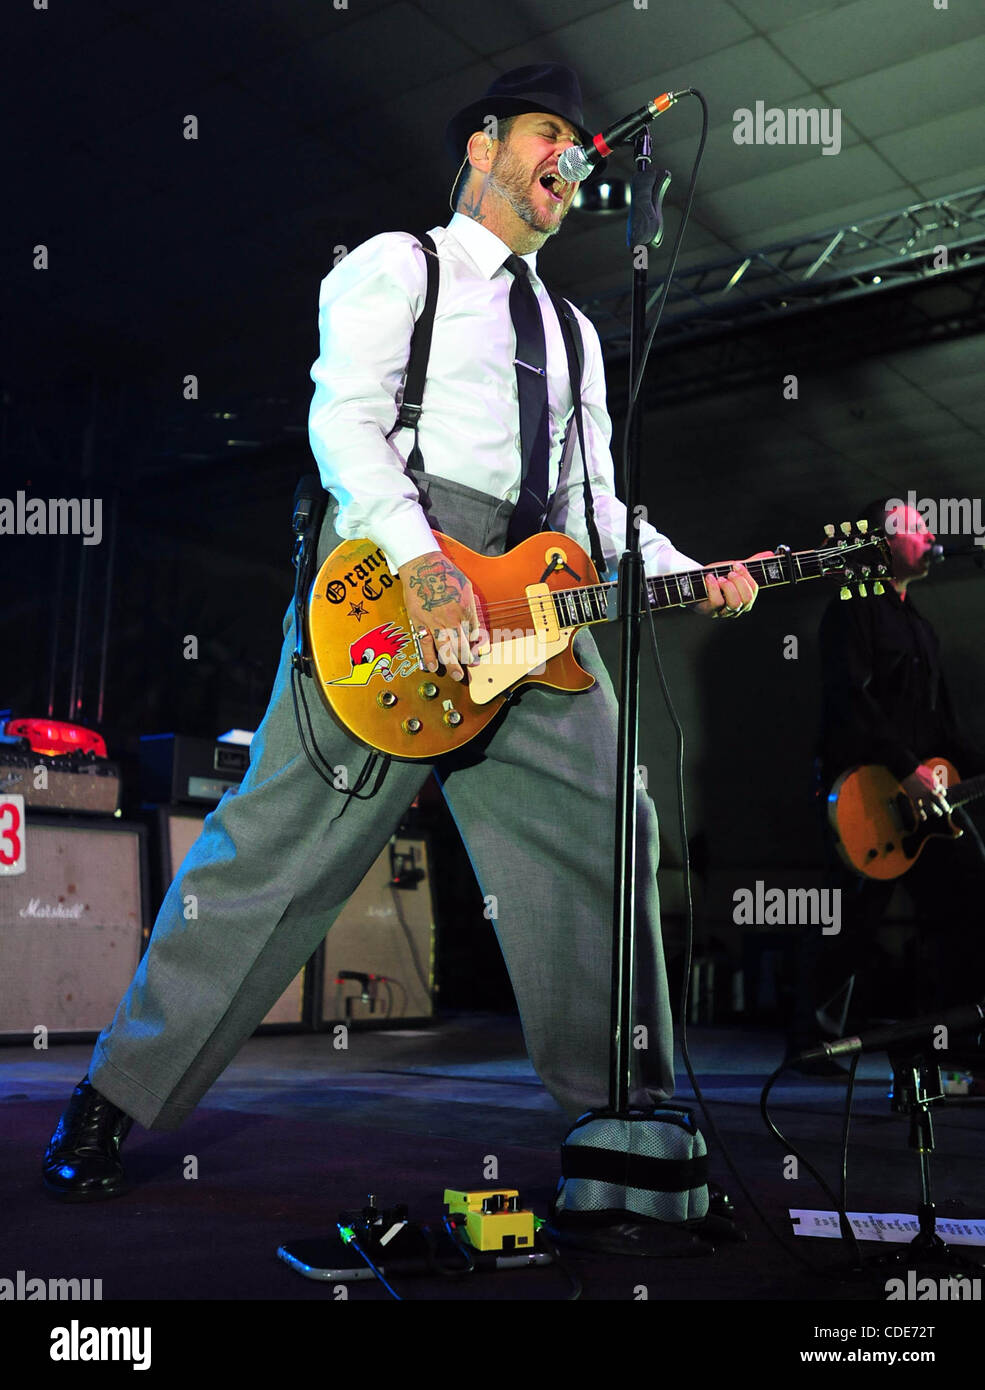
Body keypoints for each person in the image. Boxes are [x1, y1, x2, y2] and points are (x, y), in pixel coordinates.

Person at [42, 65, 762, 1234]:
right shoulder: (400, 264)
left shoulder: (574, 332)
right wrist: (421, 557)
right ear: (482, 147)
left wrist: (690, 572)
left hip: (531, 598)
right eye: (547, 136)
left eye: (578, 150)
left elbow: (594, 510)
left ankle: (625, 1123)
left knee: (606, 823)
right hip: (400, 566)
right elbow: (344, 417)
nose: (569, 164)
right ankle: (113, 1096)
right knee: (276, 850)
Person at [788, 496, 985, 1067]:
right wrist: (903, 765)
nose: (928, 535)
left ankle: (953, 1037)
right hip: (867, 792)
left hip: (925, 804)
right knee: (847, 923)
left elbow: (944, 727)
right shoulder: (852, 610)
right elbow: (848, 698)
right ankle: (812, 1044)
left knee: (968, 899)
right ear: (881, 542)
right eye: (915, 527)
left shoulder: (921, 627)